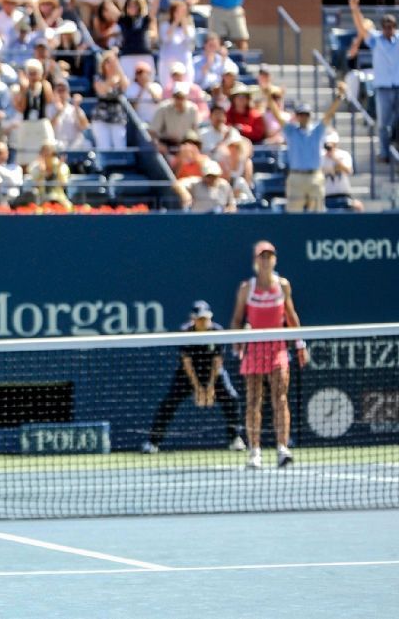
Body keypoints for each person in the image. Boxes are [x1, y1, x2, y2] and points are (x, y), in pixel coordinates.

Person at [230, 241, 305, 470]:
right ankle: (255, 452)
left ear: (275, 259)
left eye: (270, 255)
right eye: (262, 256)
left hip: (277, 349)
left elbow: (291, 317)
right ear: (256, 261)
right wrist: (237, 344)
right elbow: (237, 319)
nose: (266, 260)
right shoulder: (246, 288)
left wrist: (300, 344)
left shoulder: (283, 286)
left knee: (280, 398)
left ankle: (282, 449)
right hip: (254, 348)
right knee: (253, 401)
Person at [142, 301, 246, 454]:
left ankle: (235, 438)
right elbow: (187, 363)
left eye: (206, 318)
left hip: (213, 373)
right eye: (200, 319)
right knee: (168, 404)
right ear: (193, 319)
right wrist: (198, 389)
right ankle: (153, 442)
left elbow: (217, 362)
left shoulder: (217, 332)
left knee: (232, 398)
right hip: (188, 374)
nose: (204, 322)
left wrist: (210, 388)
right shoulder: (186, 332)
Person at [348, 0, 399, 161]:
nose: (388, 30)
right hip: (383, 88)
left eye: (391, 26)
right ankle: (384, 153)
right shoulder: (376, 40)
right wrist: (355, 9)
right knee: (383, 124)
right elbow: (362, 28)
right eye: (385, 26)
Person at [284, 88, 346, 213]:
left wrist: (339, 98)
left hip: (315, 176)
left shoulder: (317, 131)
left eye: (306, 114)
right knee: (293, 214)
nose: (304, 117)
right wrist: (268, 97)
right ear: (297, 116)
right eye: (301, 114)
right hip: (296, 176)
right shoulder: (291, 131)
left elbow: (329, 115)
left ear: (310, 116)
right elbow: (276, 115)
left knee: (317, 213)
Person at [322, 131, 364, 211]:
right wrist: (333, 168)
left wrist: (334, 158)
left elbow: (348, 170)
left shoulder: (344, 155)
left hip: (344, 197)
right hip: (326, 198)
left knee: (358, 207)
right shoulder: (321, 157)